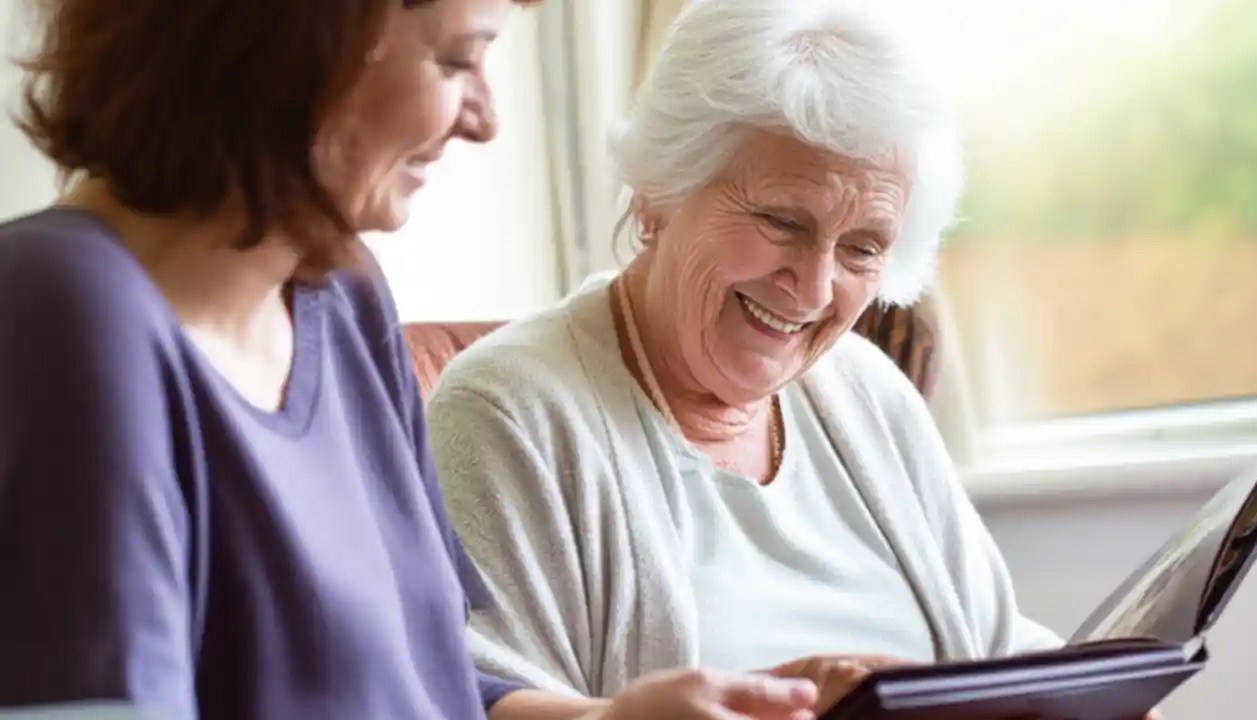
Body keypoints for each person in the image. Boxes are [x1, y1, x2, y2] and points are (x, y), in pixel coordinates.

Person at [0, 0, 821, 718]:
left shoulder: (341, 294)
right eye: (458, 58)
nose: (485, 117)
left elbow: (428, 683)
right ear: (292, 43)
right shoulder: (60, 311)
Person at [427, 0, 1065, 714]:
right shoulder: (508, 411)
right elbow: (456, 698)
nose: (815, 287)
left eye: (862, 249)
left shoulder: (869, 394)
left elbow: (998, 644)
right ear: (659, 194)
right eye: (782, 221)